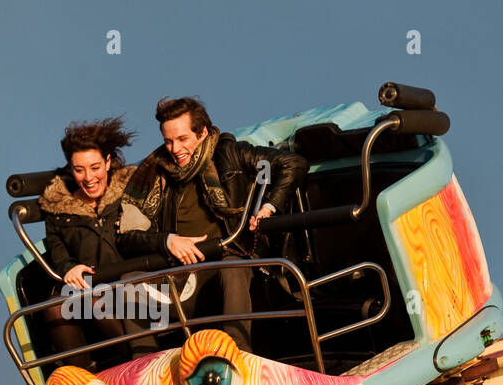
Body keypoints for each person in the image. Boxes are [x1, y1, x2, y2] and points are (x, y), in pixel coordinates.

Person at [117, 96, 309, 350]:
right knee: (128, 284)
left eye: (182, 139)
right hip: (182, 275)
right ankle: (144, 370)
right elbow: (127, 236)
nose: (174, 149)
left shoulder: (229, 153)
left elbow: (293, 163)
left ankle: (235, 355)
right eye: (168, 141)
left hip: (230, 261)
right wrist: (168, 241)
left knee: (231, 268)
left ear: (202, 133)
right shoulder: (156, 173)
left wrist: (268, 207)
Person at [39, 117, 159, 366]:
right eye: (79, 169)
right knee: (57, 306)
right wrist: (68, 269)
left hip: (138, 292)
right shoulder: (59, 211)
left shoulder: (130, 193)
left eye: (94, 167)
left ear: (107, 162)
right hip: (95, 296)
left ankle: (138, 362)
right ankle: (82, 381)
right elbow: (59, 255)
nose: (88, 177)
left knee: (98, 302)